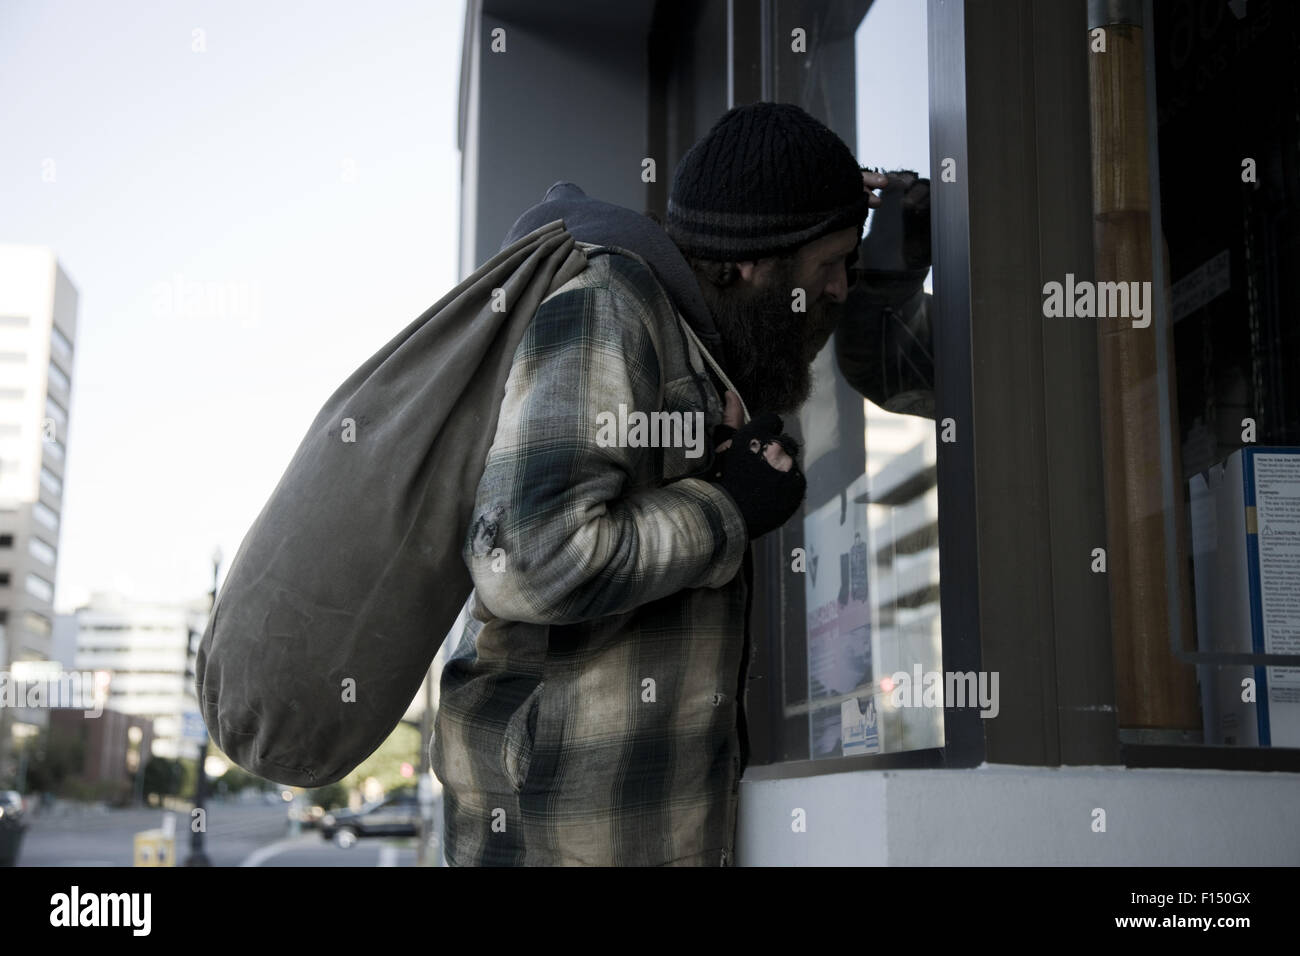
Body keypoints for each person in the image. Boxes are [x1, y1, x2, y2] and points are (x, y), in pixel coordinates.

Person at [432, 101, 925, 866]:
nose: (838, 288)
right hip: (552, 840)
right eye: (831, 264)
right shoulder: (610, 308)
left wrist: (893, 264)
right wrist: (725, 507)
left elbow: (885, 362)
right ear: (756, 262)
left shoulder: (709, 336)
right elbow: (526, 561)